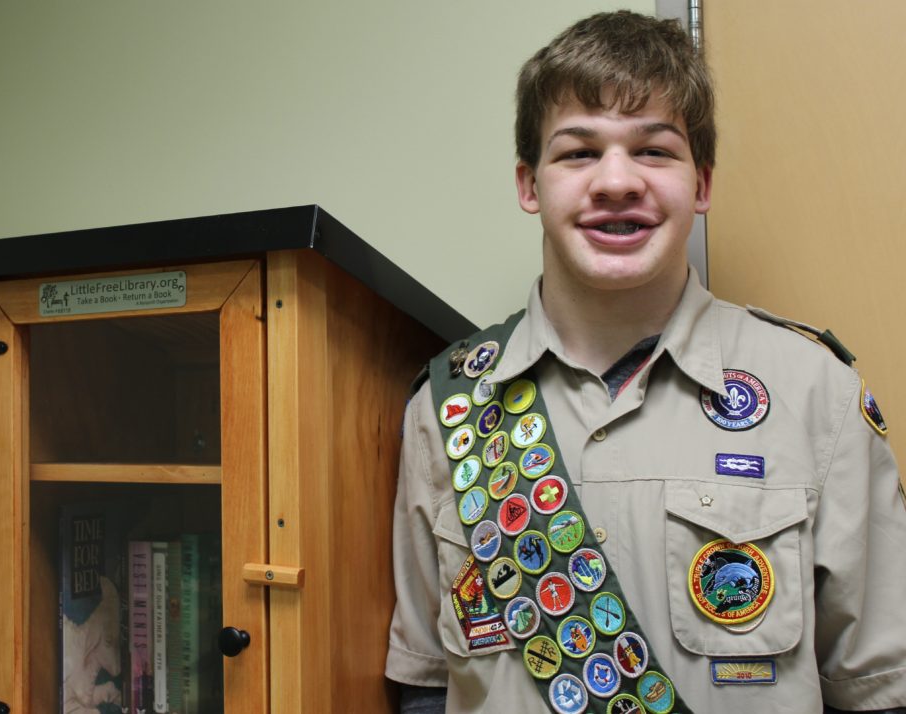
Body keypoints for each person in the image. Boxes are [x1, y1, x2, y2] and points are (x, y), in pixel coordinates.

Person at [385, 10, 906, 714]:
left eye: (655, 151)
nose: (617, 181)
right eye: (577, 152)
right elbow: (424, 686)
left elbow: (878, 690)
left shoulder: (818, 394)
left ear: (702, 184)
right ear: (529, 184)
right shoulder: (448, 408)